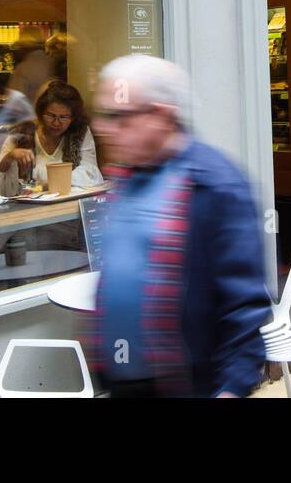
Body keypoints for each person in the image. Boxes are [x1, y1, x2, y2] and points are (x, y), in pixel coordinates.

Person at [83, 54, 270, 397]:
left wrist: (231, 388)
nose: (104, 128)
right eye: (102, 115)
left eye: (119, 117)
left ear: (162, 116)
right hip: (124, 386)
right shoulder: (127, 176)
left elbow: (245, 307)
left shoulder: (216, 185)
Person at [0, 81, 102, 194]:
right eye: (51, 116)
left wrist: (39, 175)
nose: (56, 123)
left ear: (73, 117)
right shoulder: (22, 132)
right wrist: (10, 157)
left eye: (64, 117)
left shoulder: (80, 132)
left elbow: (90, 174)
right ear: (41, 113)